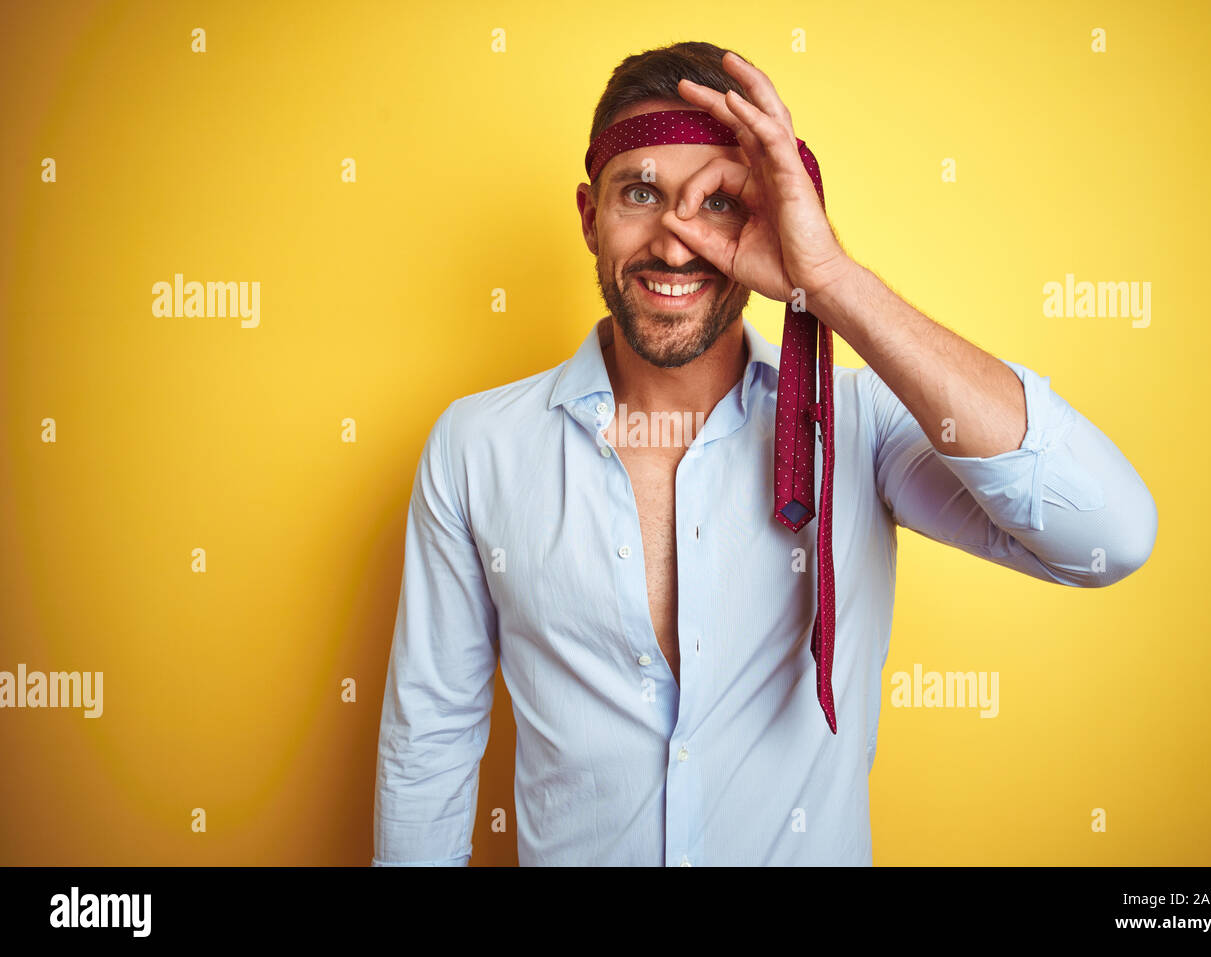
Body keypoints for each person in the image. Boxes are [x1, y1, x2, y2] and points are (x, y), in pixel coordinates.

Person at [371, 41, 1157, 866]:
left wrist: (832, 279)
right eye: (641, 193)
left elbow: (1110, 534)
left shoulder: (859, 426)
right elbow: (429, 748)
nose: (676, 245)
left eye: (717, 202)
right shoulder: (476, 447)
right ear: (589, 215)